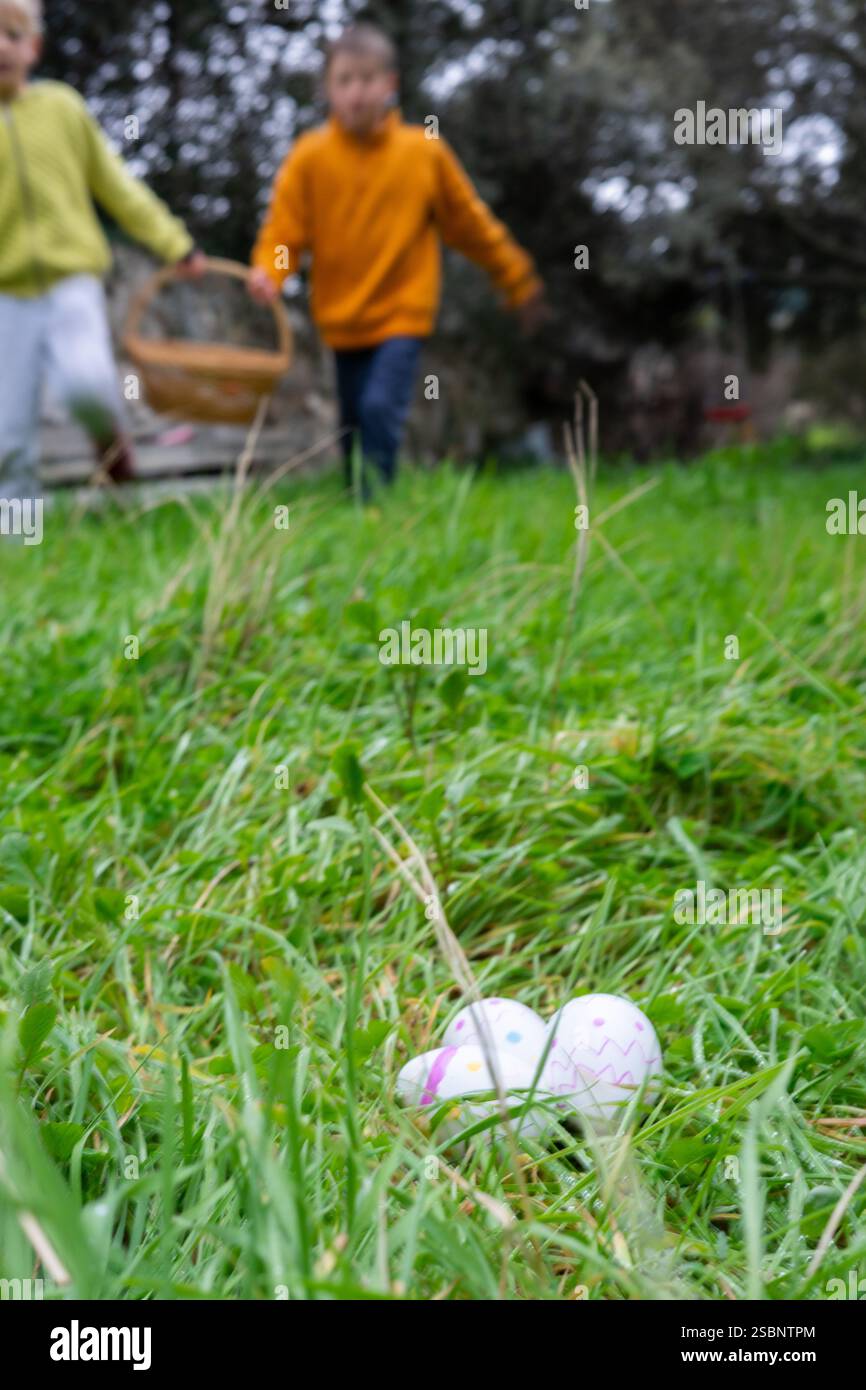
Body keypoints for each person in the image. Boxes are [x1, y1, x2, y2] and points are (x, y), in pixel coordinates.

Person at [249, 22, 546, 496]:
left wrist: (516, 277)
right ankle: (355, 498)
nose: (356, 93)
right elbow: (285, 232)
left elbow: (471, 225)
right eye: (344, 81)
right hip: (341, 316)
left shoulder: (423, 154)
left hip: (402, 313)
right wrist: (271, 270)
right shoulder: (309, 157)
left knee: (378, 407)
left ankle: (376, 503)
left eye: (367, 80)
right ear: (329, 89)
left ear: (389, 84)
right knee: (351, 418)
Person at [0, 0, 206, 504]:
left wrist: (174, 243)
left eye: (11, 32)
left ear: (34, 47)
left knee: (87, 384)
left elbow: (117, 187)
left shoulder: (63, 109)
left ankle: (113, 453)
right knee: (7, 430)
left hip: (73, 282)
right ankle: (21, 544)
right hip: (6, 294)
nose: (0, 45)